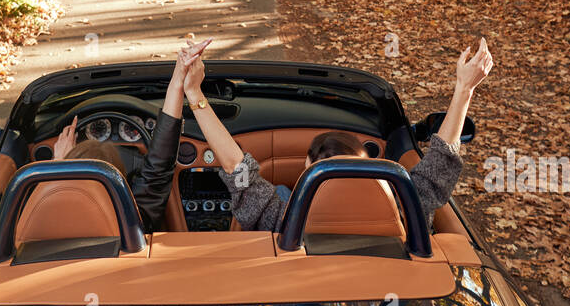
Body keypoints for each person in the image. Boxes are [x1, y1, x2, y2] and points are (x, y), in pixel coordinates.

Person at [183, 38, 495, 232]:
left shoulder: (279, 218)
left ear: (307, 167)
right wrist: (464, 89)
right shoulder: (408, 208)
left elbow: (235, 166)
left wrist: (194, 92)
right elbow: (442, 158)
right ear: (370, 171)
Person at [53, 38, 210, 232]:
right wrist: (179, 78)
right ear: (120, 183)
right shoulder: (134, 223)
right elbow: (158, 167)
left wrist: (57, 166)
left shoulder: (40, 221)